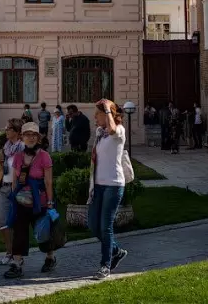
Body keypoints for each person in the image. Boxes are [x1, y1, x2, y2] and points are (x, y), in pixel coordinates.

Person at [4, 122, 57, 279]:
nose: (31, 138)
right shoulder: (18, 157)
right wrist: (14, 199)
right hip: (21, 201)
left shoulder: (44, 156)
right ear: (22, 137)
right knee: (19, 232)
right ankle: (17, 263)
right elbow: (15, 180)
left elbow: (48, 182)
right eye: (27, 135)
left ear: (38, 138)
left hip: (39, 202)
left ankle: (50, 257)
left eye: (34, 135)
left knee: (43, 231)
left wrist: (50, 202)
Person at [89, 99, 128, 280]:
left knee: (106, 227)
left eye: (98, 113)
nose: (95, 117)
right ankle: (117, 251)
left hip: (114, 185)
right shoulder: (100, 134)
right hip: (98, 185)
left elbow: (112, 129)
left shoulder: (118, 130)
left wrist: (108, 110)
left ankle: (105, 265)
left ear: (107, 114)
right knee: (93, 225)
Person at [0, 118, 24, 266]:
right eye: (6, 128)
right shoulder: (6, 147)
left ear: (17, 132)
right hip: (4, 188)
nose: (6, 131)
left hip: (18, 189)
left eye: (9, 129)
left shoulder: (22, 148)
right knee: (1, 221)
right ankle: (10, 251)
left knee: (17, 224)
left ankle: (16, 255)